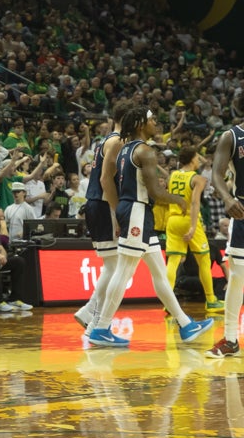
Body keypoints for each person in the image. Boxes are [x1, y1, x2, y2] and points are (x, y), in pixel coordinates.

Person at [86, 107, 213, 347]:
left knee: (159, 272)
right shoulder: (145, 151)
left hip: (134, 210)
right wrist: (178, 200)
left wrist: (118, 213)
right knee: (124, 271)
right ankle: (101, 328)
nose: (157, 123)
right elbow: (155, 191)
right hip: (136, 210)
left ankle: (185, 324)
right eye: (152, 119)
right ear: (140, 124)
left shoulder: (125, 149)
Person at [73, 103, 127, 329]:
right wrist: (117, 216)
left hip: (95, 203)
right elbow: (108, 182)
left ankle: (93, 317)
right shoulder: (117, 141)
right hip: (104, 204)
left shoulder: (104, 140)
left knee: (110, 267)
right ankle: (91, 314)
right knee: (115, 268)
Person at [165, 147, 222, 311]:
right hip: (189, 219)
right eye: (197, 157)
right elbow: (196, 203)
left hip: (173, 219)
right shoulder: (198, 179)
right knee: (204, 259)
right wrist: (192, 226)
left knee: (173, 262)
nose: (200, 160)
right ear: (191, 160)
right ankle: (211, 300)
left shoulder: (172, 175)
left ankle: (169, 303)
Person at [206, 124, 244, 358]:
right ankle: (230, 338)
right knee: (238, 279)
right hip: (242, 211)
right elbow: (216, 176)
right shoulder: (232, 136)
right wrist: (227, 198)